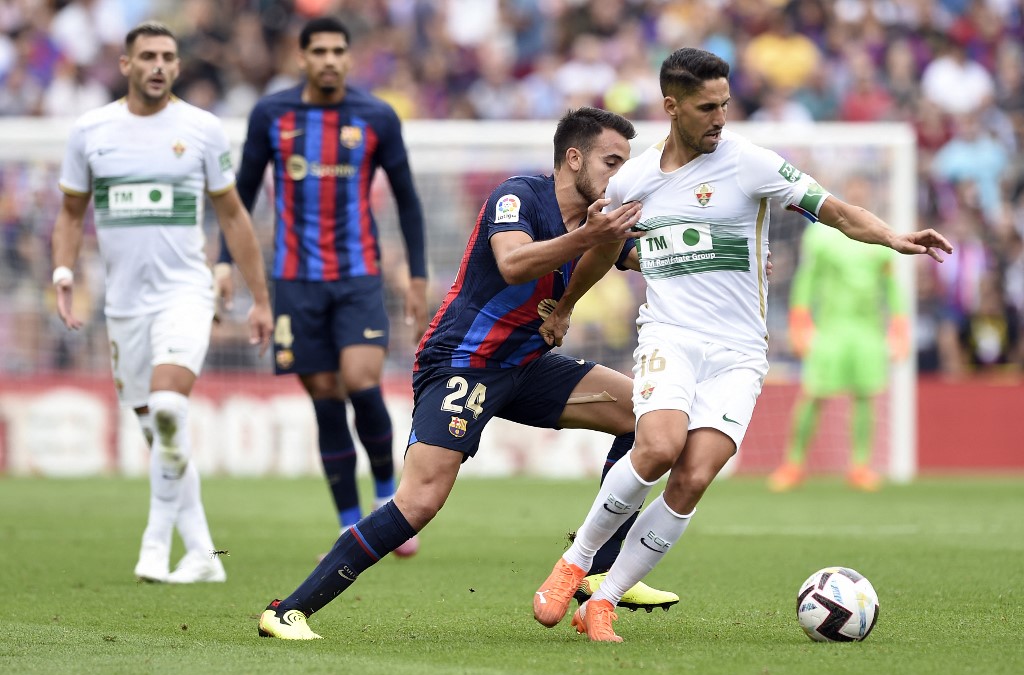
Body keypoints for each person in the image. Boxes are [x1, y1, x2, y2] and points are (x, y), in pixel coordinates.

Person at [532, 47, 953, 643]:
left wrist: (893, 236)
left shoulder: (750, 163)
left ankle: (603, 601)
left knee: (695, 476)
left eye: (726, 105)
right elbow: (602, 247)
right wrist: (568, 303)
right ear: (672, 107)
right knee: (656, 447)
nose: (721, 118)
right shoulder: (635, 180)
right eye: (708, 107)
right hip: (670, 336)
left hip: (738, 353)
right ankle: (574, 562)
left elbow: (833, 211)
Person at [257, 106, 680, 640]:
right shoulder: (519, 196)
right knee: (419, 501)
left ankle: (597, 573)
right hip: (463, 361)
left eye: (625, 163)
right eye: (610, 161)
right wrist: (590, 238)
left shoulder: (602, 218)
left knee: (644, 419)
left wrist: (716, 258)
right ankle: (288, 609)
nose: (620, 174)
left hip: (527, 365)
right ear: (573, 159)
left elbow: (636, 255)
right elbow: (513, 263)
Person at [51, 21, 273, 583]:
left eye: (167, 56)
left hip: (185, 292)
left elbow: (232, 214)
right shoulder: (90, 130)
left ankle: (154, 545)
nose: (158, 65)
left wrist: (259, 296)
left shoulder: (201, 129)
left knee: (170, 410)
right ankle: (202, 554)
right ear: (125, 65)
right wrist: (61, 270)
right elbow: (72, 212)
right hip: (124, 305)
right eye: (146, 55)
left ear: (177, 66)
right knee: (158, 435)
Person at [215, 17, 427, 557]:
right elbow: (239, 197)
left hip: (357, 276)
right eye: (320, 51)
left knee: (361, 380)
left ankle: (387, 501)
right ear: (302, 57)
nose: (330, 59)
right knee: (326, 398)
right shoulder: (272, 115)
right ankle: (347, 520)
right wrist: (223, 262)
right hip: (294, 282)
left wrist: (418, 276)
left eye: (339, 50)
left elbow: (406, 197)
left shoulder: (376, 116)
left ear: (349, 57)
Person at [769, 175, 910, 494]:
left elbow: (891, 288)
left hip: (868, 331)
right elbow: (807, 280)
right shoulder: (822, 235)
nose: (859, 192)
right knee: (814, 394)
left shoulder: (882, 237)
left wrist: (899, 327)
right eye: (854, 188)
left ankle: (860, 466)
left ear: (870, 193)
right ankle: (794, 463)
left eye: (864, 188)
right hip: (830, 329)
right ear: (847, 192)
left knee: (866, 396)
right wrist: (799, 320)